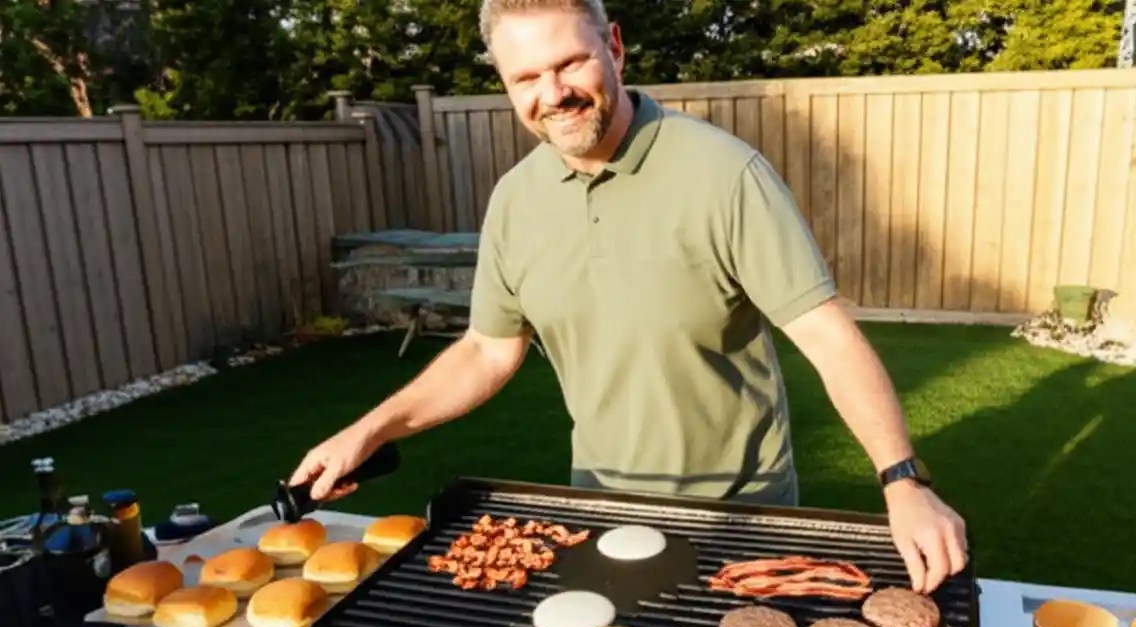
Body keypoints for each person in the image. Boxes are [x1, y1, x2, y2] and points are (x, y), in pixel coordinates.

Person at [288, 0, 968, 594]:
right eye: (526, 77)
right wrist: (369, 429)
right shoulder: (515, 202)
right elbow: (486, 353)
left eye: (569, 64)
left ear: (613, 48)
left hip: (740, 511)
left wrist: (902, 480)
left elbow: (826, 335)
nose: (552, 93)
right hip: (599, 507)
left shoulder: (724, 174)